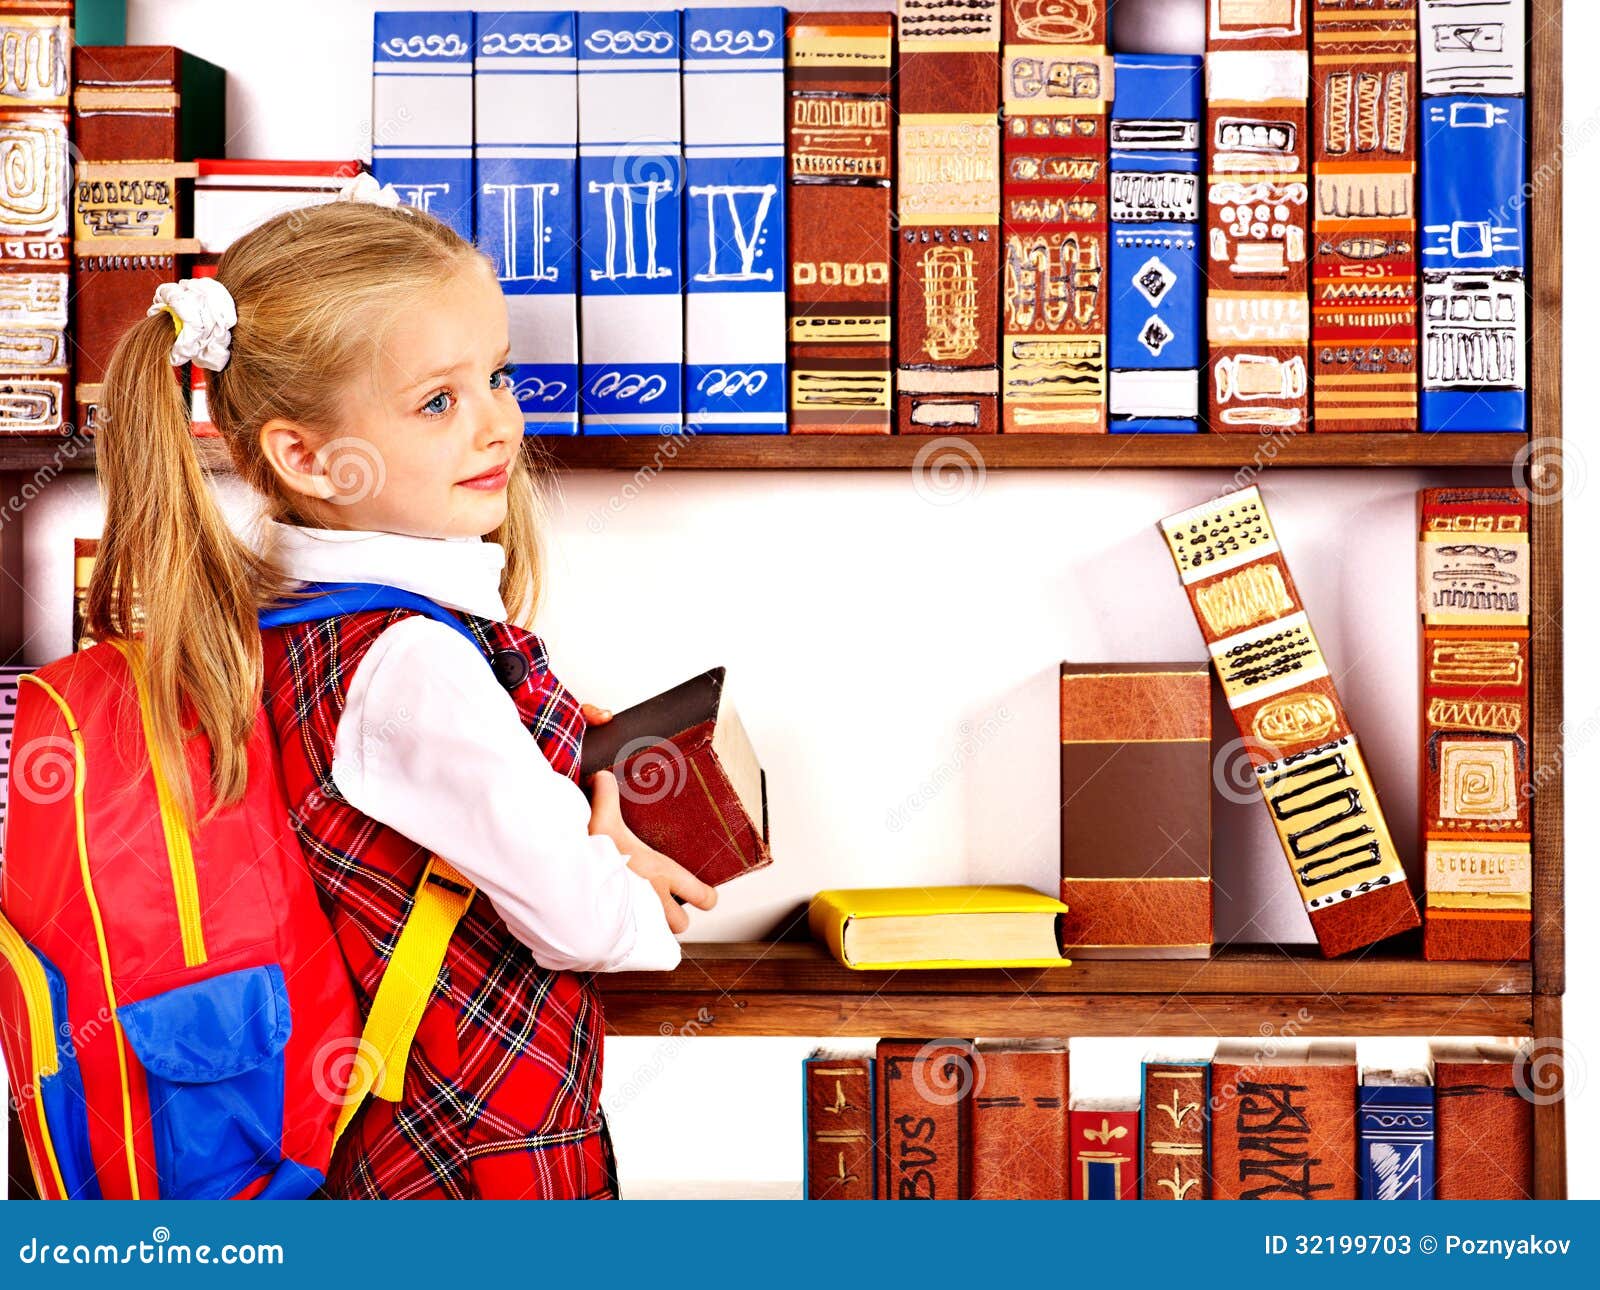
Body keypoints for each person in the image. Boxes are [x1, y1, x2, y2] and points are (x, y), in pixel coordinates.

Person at [85, 187, 716, 1199]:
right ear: (305, 457)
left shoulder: (292, 624)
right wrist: (626, 872)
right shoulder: (413, 661)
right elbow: (586, 925)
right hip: (473, 1147)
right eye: (437, 403)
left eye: (497, 377)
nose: (497, 425)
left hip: (385, 1135)